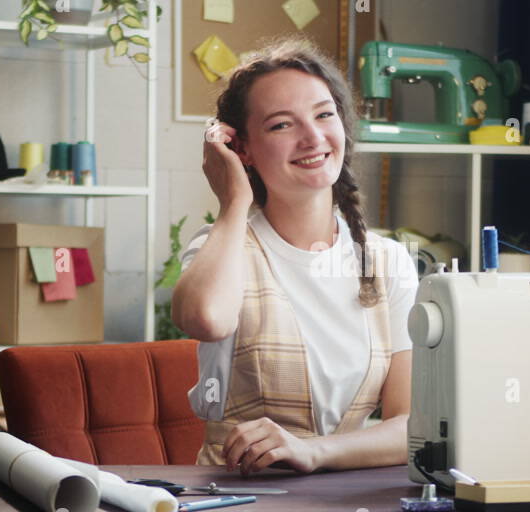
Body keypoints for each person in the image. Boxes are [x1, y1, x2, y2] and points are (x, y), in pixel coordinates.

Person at [172, 38, 418, 477]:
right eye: (282, 125)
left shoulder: (389, 262)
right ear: (241, 149)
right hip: (238, 501)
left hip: (345, 499)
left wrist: (315, 451)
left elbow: (410, 427)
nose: (313, 138)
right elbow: (206, 319)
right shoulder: (223, 245)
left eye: (324, 114)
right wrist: (232, 201)